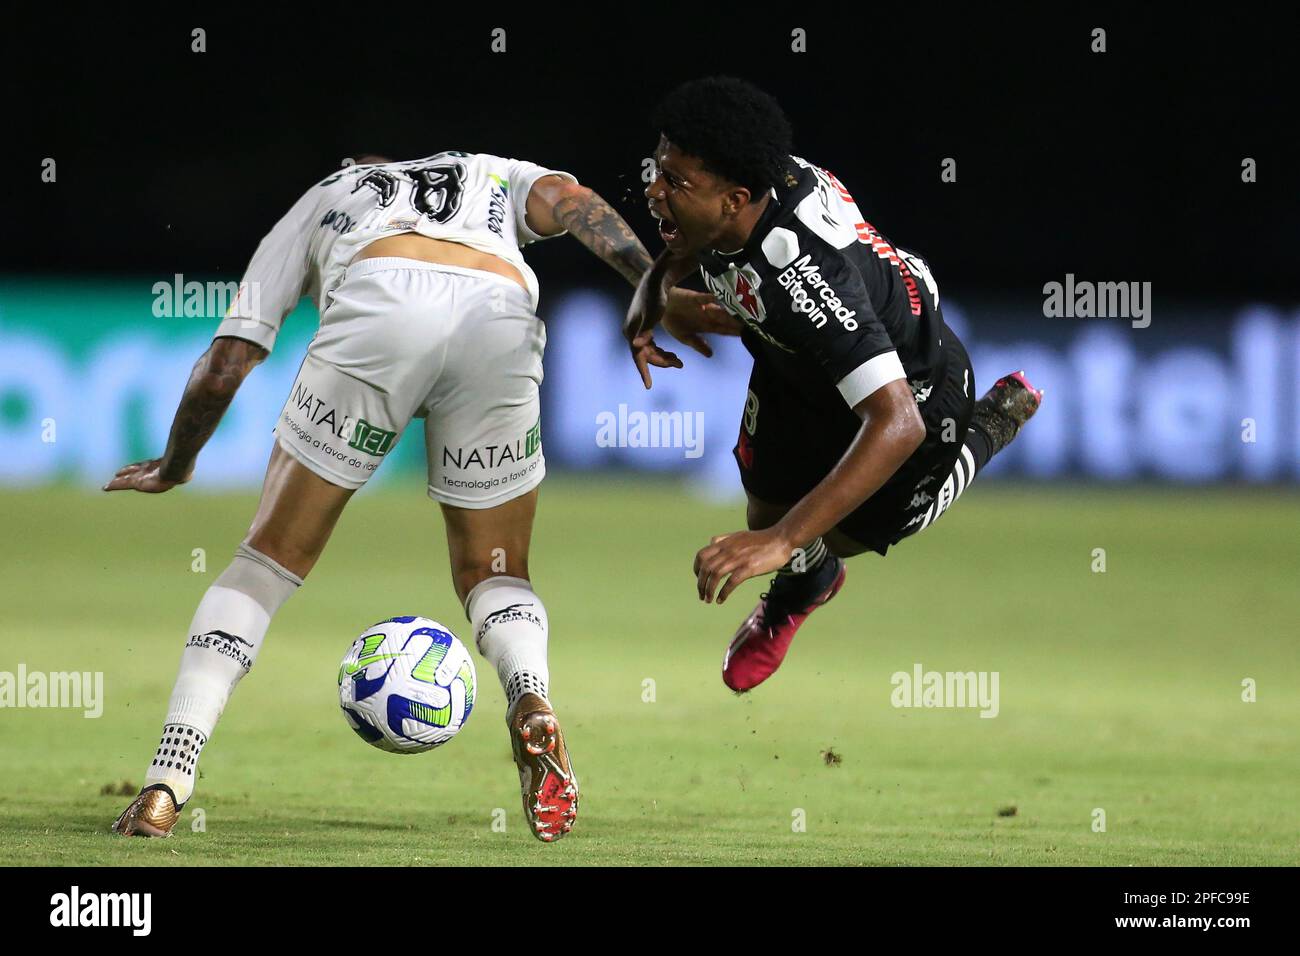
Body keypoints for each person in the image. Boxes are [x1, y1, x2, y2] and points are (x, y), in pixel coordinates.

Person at [106, 150, 721, 842]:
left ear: (359, 169)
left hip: (379, 306)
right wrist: (653, 287)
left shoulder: (329, 193)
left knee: (265, 564)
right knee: (496, 573)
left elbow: (225, 365)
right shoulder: (490, 170)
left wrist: (177, 462)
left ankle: (167, 778)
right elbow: (577, 206)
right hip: (498, 314)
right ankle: (528, 694)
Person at [625, 78, 1043, 692]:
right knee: (765, 510)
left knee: (829, 531)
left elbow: (897, 423)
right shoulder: (746, 187)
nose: (655, 193)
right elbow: (690, 238)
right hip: (802, 365)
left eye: (675, 183)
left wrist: (784, 542)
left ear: (736, 198)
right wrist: (656, 301)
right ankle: (807, 581)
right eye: (657, 172)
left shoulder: (802, 276)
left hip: (918, 392)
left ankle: (987, 429)